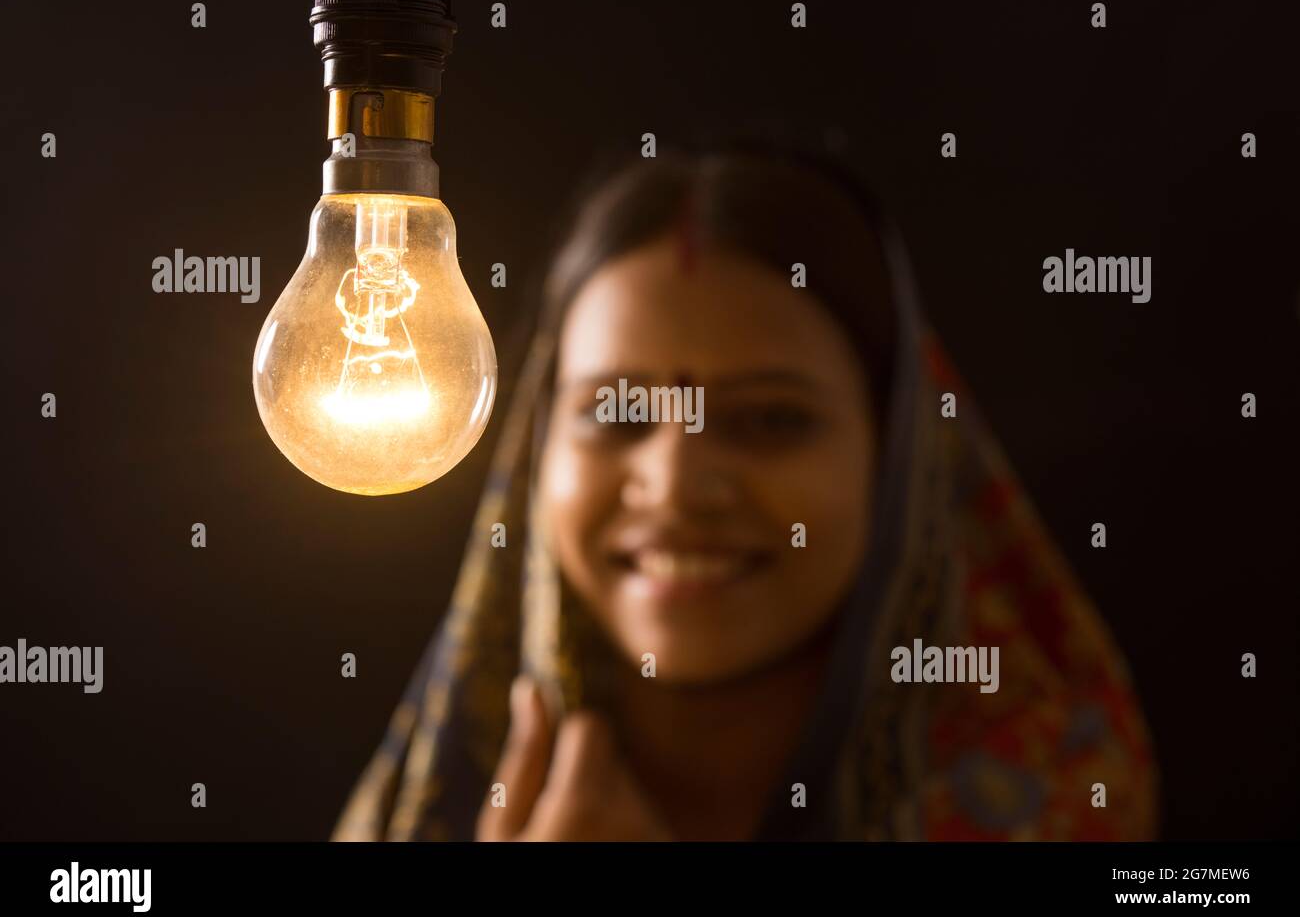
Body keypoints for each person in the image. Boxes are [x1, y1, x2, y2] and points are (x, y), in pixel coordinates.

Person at [332, 142, 1158, 841]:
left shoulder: (1053, 795)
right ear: (538, 452)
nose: (679, 484)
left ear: (901, 456)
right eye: (616, 414)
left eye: (769, 419)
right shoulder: (438, 808)